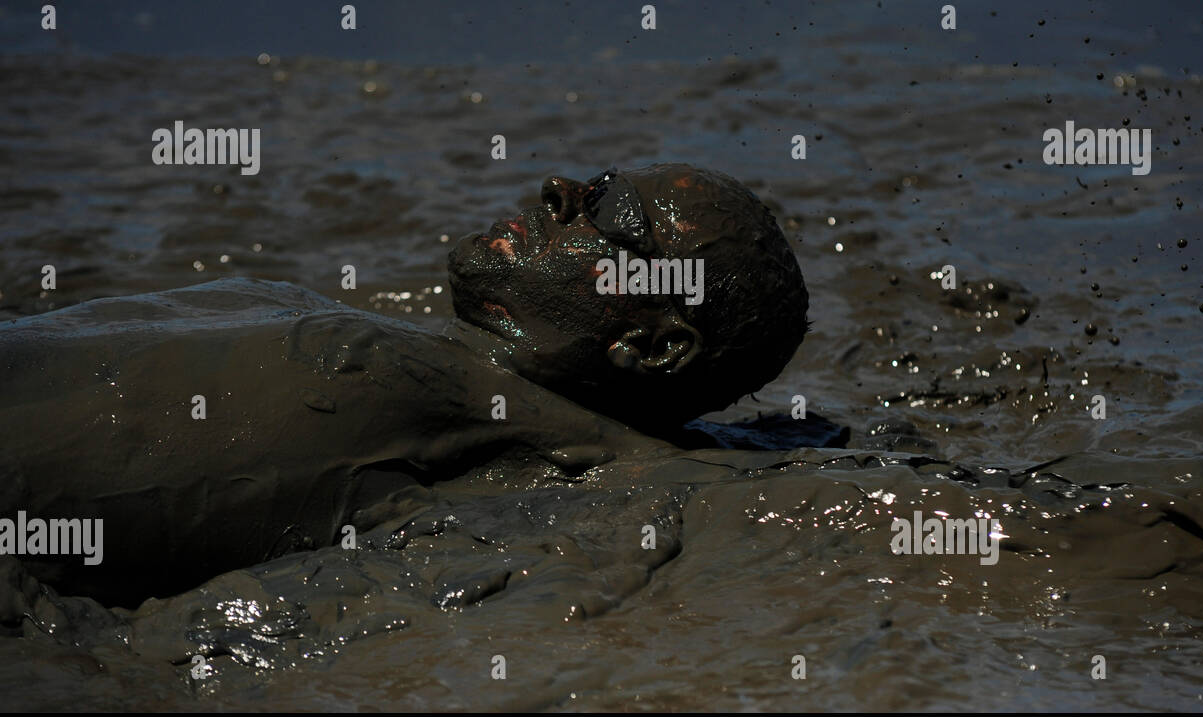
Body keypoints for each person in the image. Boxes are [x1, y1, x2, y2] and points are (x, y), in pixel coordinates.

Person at [0, 163, 808, 604]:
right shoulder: (454, 361)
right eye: (591, 181)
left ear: (650, 345)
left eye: (607, 211)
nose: (560, 189)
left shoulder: (550, 437)